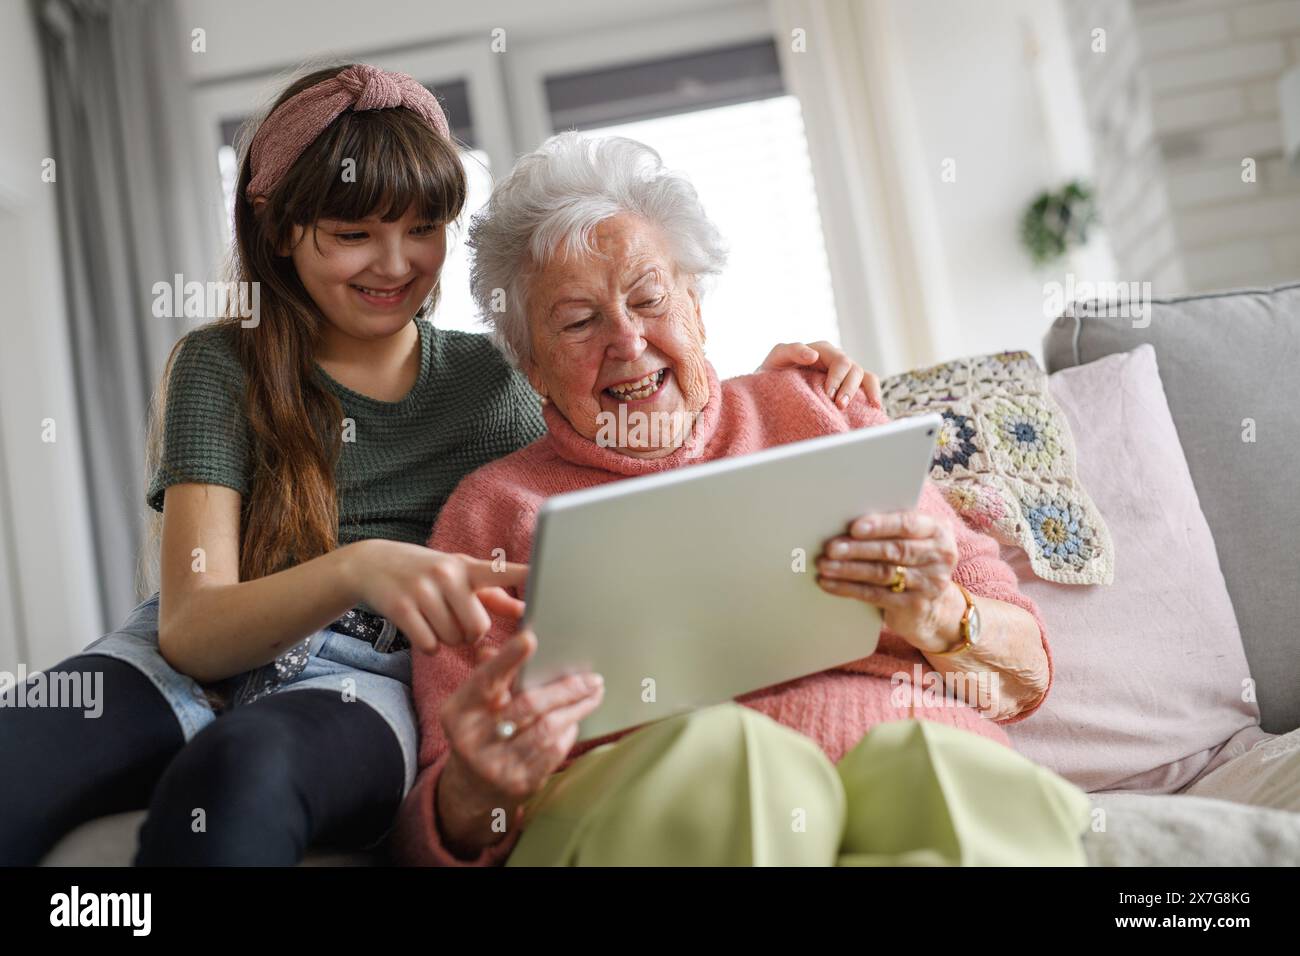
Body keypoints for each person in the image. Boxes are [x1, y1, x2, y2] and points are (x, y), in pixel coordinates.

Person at [0, 65, 872, 866]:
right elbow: (191, 632)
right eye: (353, 232)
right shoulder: (219, 367)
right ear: (279, 231)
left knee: (243, 773)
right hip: (182, 656)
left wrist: (769, 377)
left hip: (372, 678)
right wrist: (360, 567)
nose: (396, 263)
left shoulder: (503, 377)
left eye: (424, 229)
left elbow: (645, 415)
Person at [394, 133, 1091, 866]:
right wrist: (478, 787)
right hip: (644, 800)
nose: (628, 341)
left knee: (941, 762)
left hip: (895, 746)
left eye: (649, 298)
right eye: (577, 321)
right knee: (734, 756)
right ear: (530, 365)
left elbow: (1024, 680)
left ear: (695, 305)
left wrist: (941, 613)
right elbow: (437, 833)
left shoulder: (822, 409)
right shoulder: (490, 515)